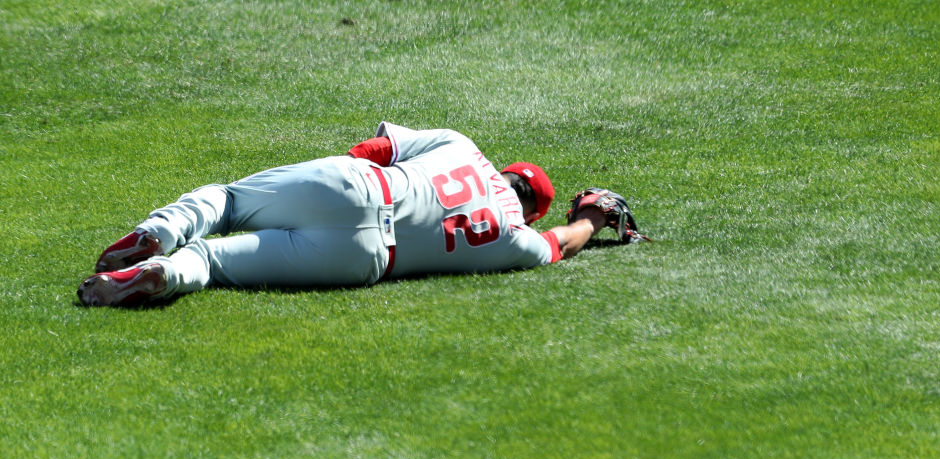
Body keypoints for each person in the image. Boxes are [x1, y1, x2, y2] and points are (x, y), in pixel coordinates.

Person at [77, 122, 618, 307]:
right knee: (214, 263)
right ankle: (166, 275)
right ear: (529, 207)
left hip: (354, 185)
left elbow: (374, 150)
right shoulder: (511, 238)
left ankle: (157, 232)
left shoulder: (462, 147)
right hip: (364, 258)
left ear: (506, 171)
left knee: (228, 201)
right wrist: (591, 217)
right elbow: (560, 245)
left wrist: (324, 181)